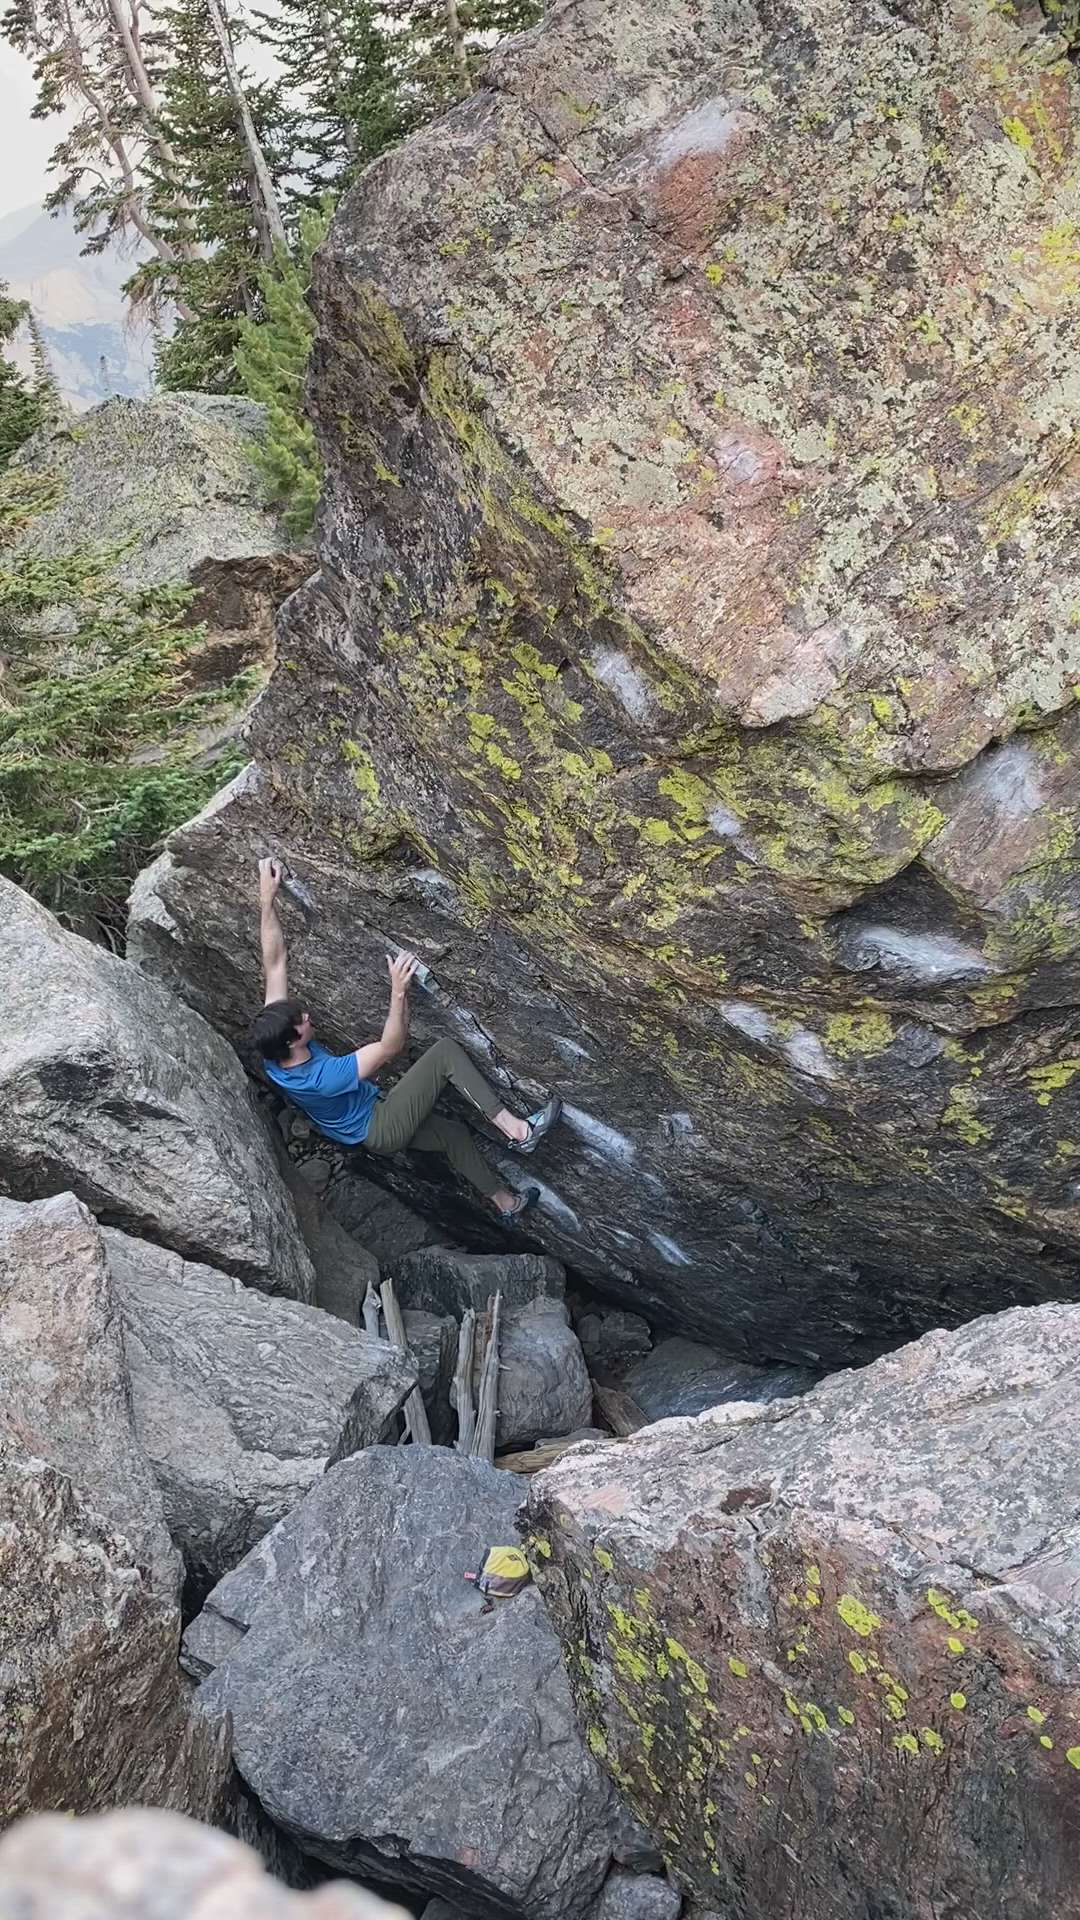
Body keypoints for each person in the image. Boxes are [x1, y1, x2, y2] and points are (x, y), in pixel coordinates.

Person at [251, 858, 561, 1220]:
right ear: (292, 1042)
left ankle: (506, 1204)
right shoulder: (323, 1078)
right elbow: (390, 1047)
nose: (307, 1016)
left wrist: (267, 899)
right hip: (380, 1125)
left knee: (452, 1135)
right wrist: (398, 991)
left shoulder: (274, 1046)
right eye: (300, 1022)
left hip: (369, 1124)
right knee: (444, 1053)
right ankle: (518, 1130)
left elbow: (274, 962)